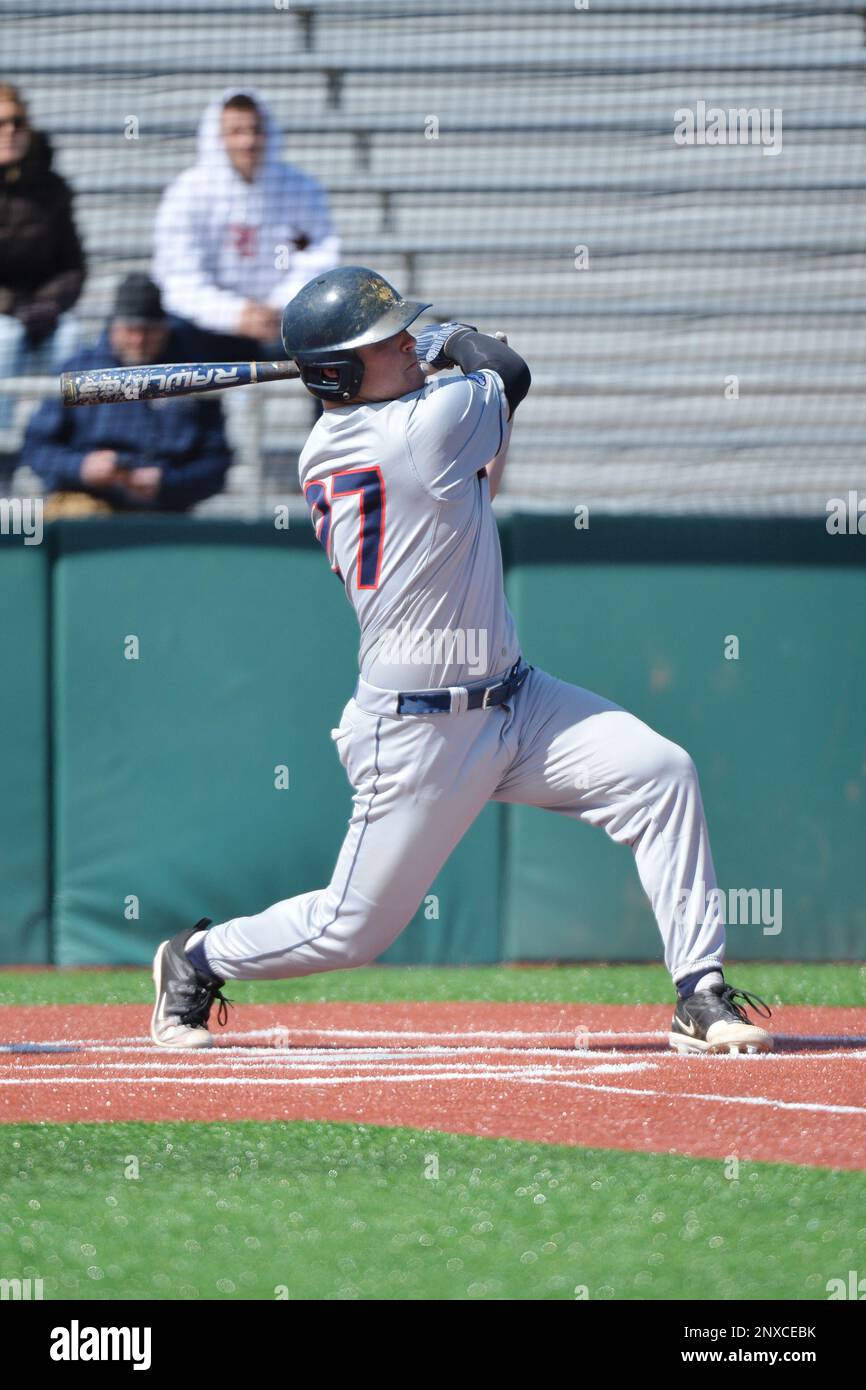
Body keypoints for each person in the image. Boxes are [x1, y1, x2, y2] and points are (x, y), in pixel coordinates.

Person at [150, 266, 773, 1057]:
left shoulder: (355, 436)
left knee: (660, 773)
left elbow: (479, 455)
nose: (409, 343)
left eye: (408, 333)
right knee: (351, 932)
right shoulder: (416, 430)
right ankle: (196, 957)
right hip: (419, 735)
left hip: (519, 701)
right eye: (388, 341)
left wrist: (442, 357)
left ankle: (701, 994)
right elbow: (508, 373)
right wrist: (464, 347)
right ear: (339, 372)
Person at [150, 87, 340, 366]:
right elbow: (179, 279)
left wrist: (280, 308)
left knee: (334, 338)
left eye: (255, 130)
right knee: (172, 336)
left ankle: (333, 410)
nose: (248, 141)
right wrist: (234, 315)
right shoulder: (187, 193)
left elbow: (319, 258)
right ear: (218, 137)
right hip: (206, 327)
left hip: (282, 323)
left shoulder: (301, 188)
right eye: (237, 132)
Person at [25, 273, 232, 515]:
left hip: (163, 512)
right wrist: (81, 467)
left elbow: (217, 464)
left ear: (165, 328)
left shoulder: (191, 377)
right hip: (87, 501)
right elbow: (36, 447)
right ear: (114, 326)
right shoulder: (81, 371)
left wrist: (168, 482)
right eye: (130, 329)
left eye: (149, 330)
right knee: (77, 513)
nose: (139, 340)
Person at [0, 83, 85, 428]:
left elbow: (73, 266)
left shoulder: (52, 189)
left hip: (42, 314)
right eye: (0, 124)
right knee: (5, 338)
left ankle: (57, 446)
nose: (10, 132)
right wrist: (13, 307)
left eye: (17, 122)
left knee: (72, 338)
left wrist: (49, 305)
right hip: (6, 317)